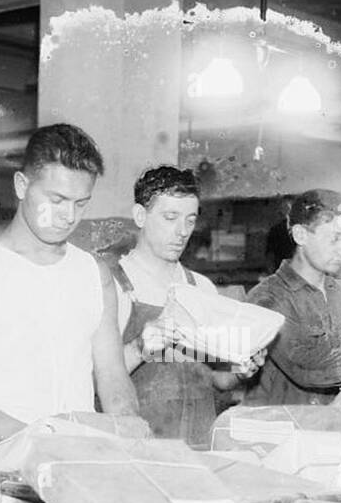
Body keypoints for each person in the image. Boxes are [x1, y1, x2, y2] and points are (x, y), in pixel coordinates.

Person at [0, 123, 140, 442]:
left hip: (74, 459)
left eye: (80, 203)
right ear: (22, 185)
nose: (69, 216)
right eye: (57, 199)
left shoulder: (94, 273)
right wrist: (34, 443)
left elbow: (113, 377)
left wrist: (129, 431)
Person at [110, 166, 263, 447]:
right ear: (140, 216)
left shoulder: (201, 287)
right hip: (139, 451)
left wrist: (239, 369)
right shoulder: (116, 286)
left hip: (199, 445)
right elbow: (97, 380)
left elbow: (218, 380)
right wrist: (139, 347)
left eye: (190, 220)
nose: (182, 232)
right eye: (170, 218)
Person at [244, 190, 341, 406]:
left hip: (339, 426)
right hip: (285, 430)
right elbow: (305, 365)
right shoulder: (267, 299)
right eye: (335, 238)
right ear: (300, 235)